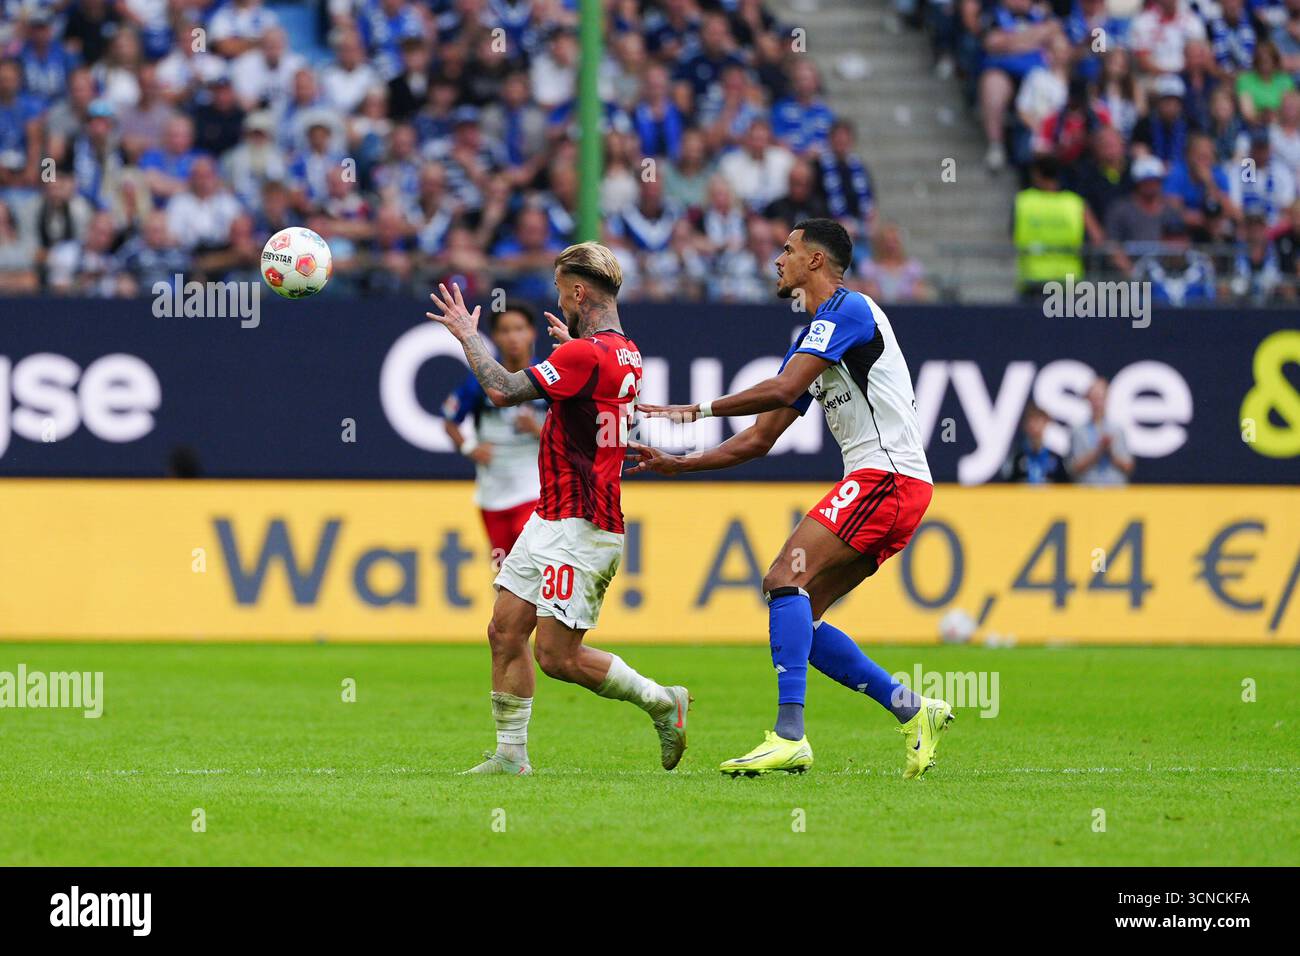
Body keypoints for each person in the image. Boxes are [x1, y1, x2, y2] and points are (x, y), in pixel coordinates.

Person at [630, 219, 953, 780]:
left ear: (817, 262)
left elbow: (781, 390)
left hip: (888, 477)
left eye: (788, 250)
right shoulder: (813, 341)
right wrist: (679, 463)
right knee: (803, 616)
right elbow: (758, 440)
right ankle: (914, 710)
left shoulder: (852, 312)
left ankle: (789, 736)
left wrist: (693, 411)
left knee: (784, 577)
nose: (778, 260)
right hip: (892, 484)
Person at [425, 243, 690, 777]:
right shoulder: (624, 352)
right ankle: (510, 755)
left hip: (585, 524)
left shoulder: (582, 356)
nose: (557, 297)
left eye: (557, 287)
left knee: (558, 657)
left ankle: (663, 700)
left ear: (577, 291)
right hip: (551, 516)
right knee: (504, 630)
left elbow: (501, 390)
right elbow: (596, 399)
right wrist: (573, 352)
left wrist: (466, 335)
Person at [441, 303, 546, 567]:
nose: (513, 337)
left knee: (532, 565)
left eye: (519, 329)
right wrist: (469, 448)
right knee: (504, 578)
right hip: (493, 495)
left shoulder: (548, 378)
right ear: (495, 337)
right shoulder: (478, 382)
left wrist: (538, 430)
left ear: (532, 333)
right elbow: (450, 421)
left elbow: (573, 433)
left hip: (535, 491)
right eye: (505, 331)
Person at [1068, 377, 1135, 486]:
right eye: (1094, 398)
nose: (1097, 403)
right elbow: (1073, 469)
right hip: (1087, 493)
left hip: (1114, 492)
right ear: (1088, 399)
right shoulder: (1078, 431)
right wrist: (1098, 451)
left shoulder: (1117, 430)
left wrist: (1110, 452)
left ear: (1107, 399)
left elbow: (1128, 467)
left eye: (1101, 398)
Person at [1001, 402, 1069, 483]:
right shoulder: (1017, 457)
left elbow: (1064, 486)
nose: (1034, 425)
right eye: (1030, 421)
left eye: (1037, 421)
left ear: (1045, 424)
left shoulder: (1056, 459)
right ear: (1025, 425)